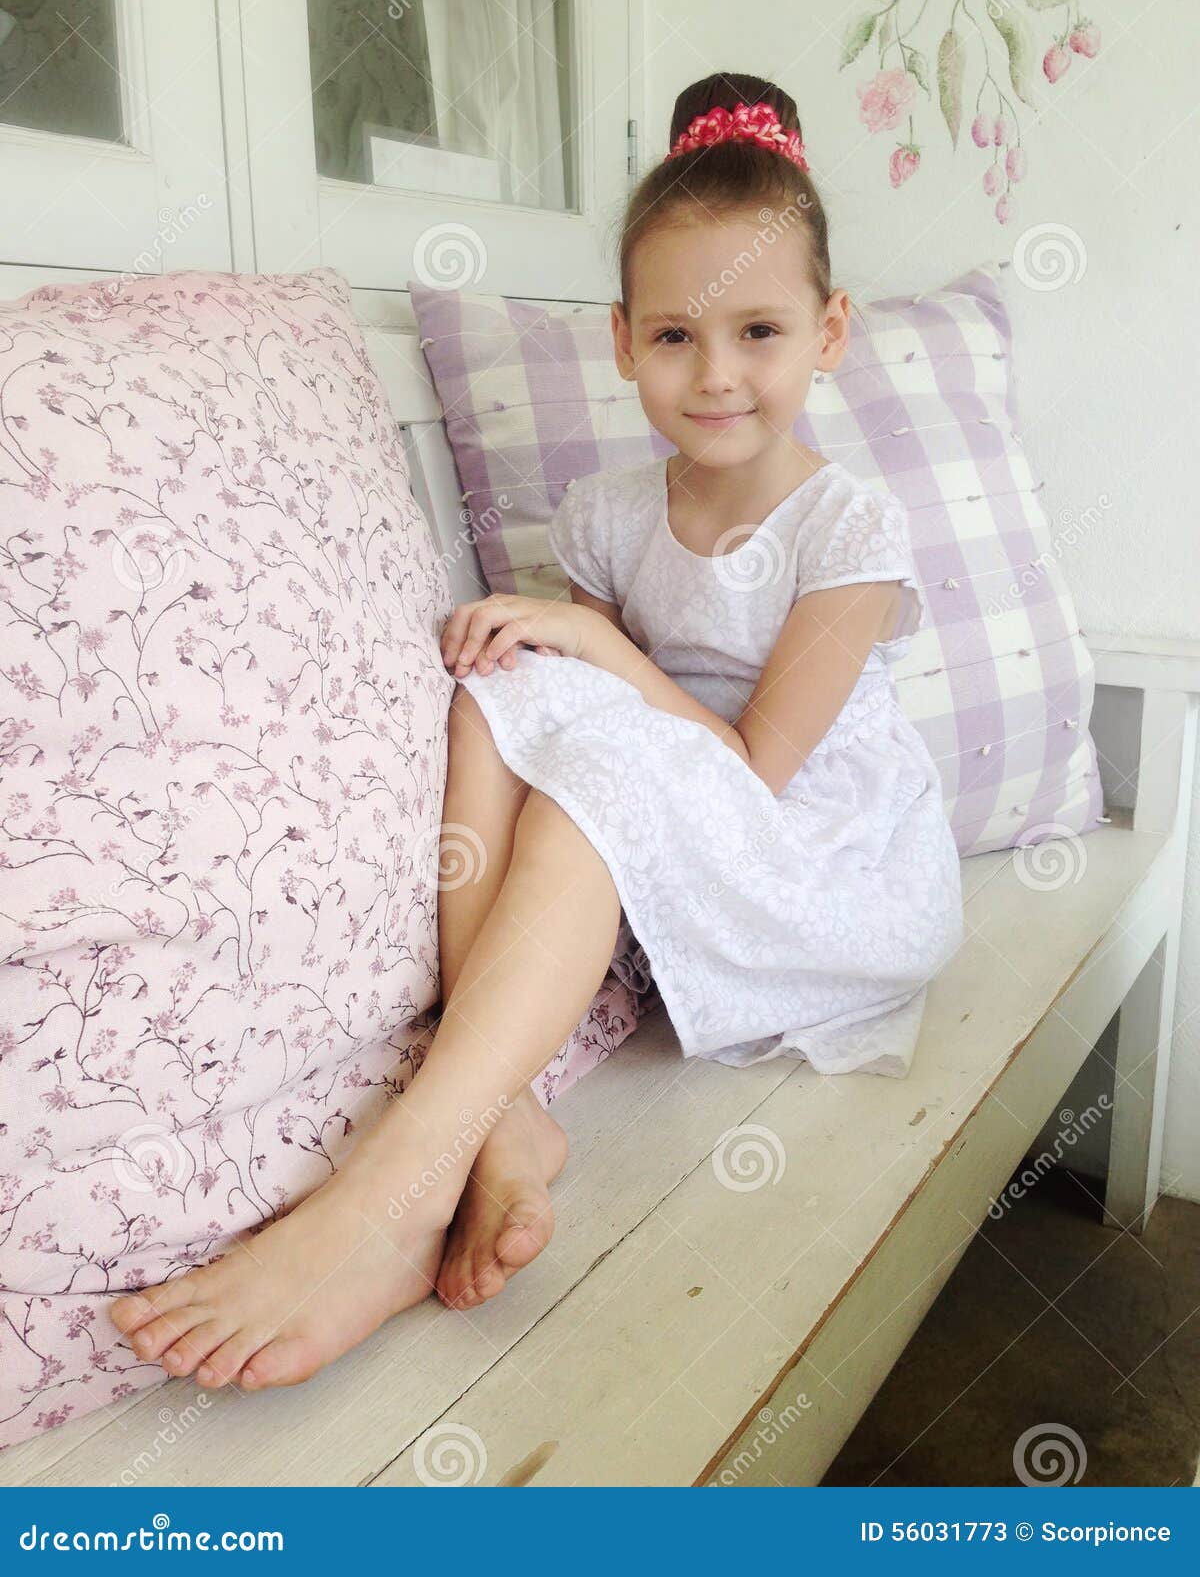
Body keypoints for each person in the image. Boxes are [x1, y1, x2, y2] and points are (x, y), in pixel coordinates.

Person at [109, 72, 964, 1395]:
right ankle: (495, 1105)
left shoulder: (846, 533)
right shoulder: (611, 513)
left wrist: (605, 651)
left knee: (595, 737)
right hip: (679, 827)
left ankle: (398, 1185)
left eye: (758, 330)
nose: (718, 374)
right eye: (676, 337)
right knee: (505, 679)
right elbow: (570, 711)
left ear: (830, 329)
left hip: (821, 867)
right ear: (621, 342)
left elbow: (743, 771)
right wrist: (543, 651)